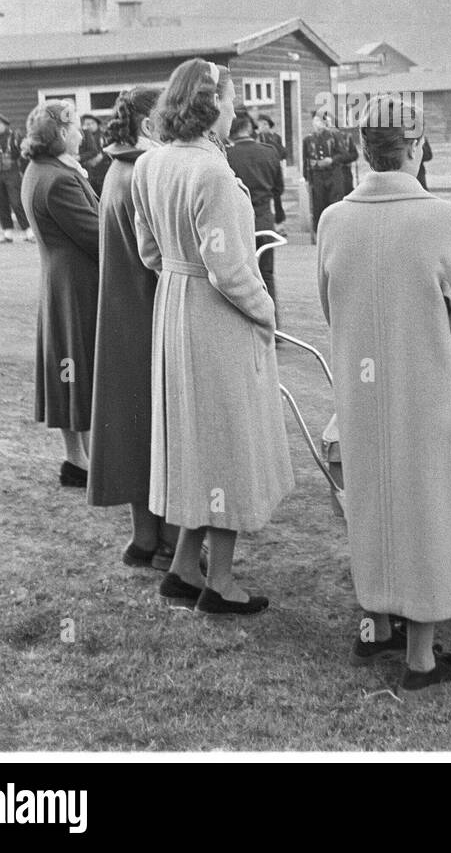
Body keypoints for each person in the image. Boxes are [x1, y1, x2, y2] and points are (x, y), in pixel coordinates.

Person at [317, 94, 451, 696]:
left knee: (374, 500)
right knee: (427, 508)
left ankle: (376, 625)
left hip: (362, 389)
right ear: (418, 146)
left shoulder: (333, 219)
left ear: (359, 149)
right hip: (430, 389)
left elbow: (331, 307)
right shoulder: (448, 220)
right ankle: (422, 658)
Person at [132, 58, 294, 616]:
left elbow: (150, 252)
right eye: (229, 100)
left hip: (176, 307)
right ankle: (219, 580)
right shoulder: (213, 173)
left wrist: (181, 275)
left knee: (196, 438)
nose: (235, 110)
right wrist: (266, 311)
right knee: (227, 439)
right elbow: (229, 269)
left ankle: (182, 565)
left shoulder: (151, 165)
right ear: (211, 105)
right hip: (215, 313)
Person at [88, 85, 177, 570]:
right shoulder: (146, 172)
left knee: (135, 430)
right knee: (160, 433)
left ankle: (144, 539)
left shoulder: (117, 169)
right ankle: (166, 543)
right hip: (147, 317)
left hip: (124, 319)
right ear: (148, 125)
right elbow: (162, 257)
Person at [20, 102, 99, 487]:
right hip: (75, 286)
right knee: (73, 368)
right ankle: (75, 460)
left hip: (63, 281)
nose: (82, 133)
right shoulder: (59, 179)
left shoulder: (42, 171)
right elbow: (97, 237)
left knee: (71, 369)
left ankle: (80, 458)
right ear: (60, 134)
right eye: (75, 127)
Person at [226, 111, 286, 315]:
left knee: (242, 275)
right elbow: (279, 188)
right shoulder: (269, 152)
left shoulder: (227, 155)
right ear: (249, 128)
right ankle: (273, 324)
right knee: (267, 273)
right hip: (264, 219)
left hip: (238, 222)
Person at [0, 113, 34, 243]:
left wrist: (24, 165)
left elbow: (26, 149)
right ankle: (7, 234)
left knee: (17, 202)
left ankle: (29, 232)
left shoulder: (15, 135)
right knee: (0, 202)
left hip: (12, 172)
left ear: (5, 125)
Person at [302, 110, 346, 235]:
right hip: (317, 176)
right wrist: (306, 179)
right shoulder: (308, 140)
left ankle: (337, 232)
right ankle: (320, 233)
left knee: (334, 203)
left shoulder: (334, 136)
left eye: (321, 120)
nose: (318, 123)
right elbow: (306, 161)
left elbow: (344, 155)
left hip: (333, 174)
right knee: (318, 205)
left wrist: (332, 160)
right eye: (316, 120)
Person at [79, 115, 111, 197]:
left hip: (103, 169)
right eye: (87, 124)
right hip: (88, 169)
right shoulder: (82, 137)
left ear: (97, 124)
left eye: (92, 123)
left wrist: (102, 156)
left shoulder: (104, 135)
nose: (89, 126)